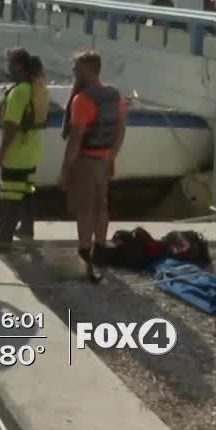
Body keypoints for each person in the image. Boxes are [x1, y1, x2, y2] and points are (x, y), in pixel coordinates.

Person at [58, 49, 127, 283]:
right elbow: (120, 131)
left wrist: (65, 170)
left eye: (76, 68)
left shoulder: (83, 99)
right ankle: (100, 250)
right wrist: (111, 156)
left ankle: (85, 254)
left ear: (86, 70)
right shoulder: (115, 96)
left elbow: (75, 139)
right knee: (101, 207)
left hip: (85, 161)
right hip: (104, 160)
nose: (73, 72)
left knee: (84, 209)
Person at [0, 49, 48, 249]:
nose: (8, 67)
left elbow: (11, 125)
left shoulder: (19, 92)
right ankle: (26, 227)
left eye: (9, 63)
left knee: (9, 193)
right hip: (33, 150)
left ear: (18, 66)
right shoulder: (37, 88)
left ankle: (3, 236)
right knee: (27, 190)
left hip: (17, 152)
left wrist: (2, 152)